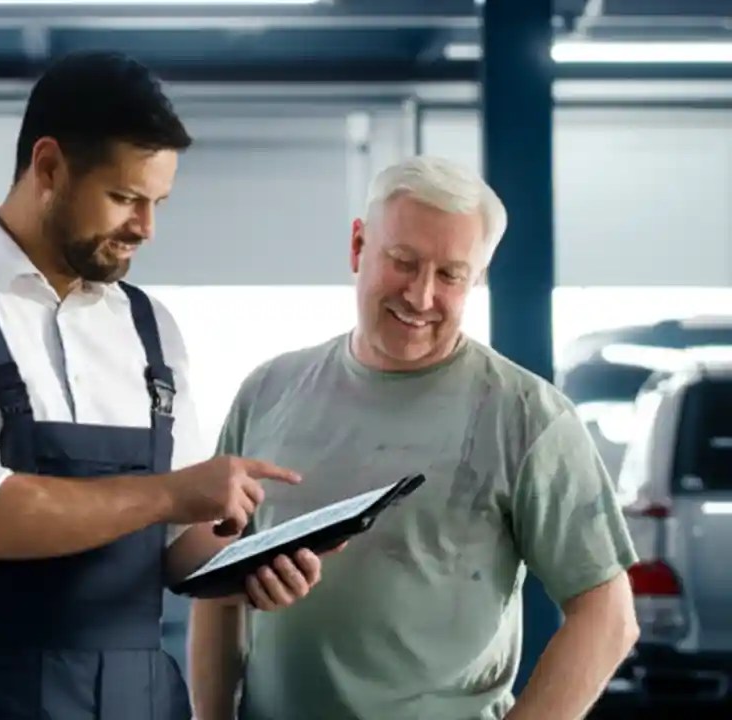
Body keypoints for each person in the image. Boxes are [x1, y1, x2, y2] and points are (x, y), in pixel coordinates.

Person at [0, 51, 333, 720]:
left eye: (157, 203)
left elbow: (178, 544)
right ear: (49, 167)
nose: (146, 228)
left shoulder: (148, 327)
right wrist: (174, 492)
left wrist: (253, 564)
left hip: (139, 697)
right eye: (125, 198)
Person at [188, 155, 641, 720]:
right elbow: (217, 579)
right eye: (403, 262)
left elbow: (608, 615)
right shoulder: (268, 391)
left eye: (451, 275)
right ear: (358, 246)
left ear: (477, 279)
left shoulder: (528, 416)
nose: (421, 296)